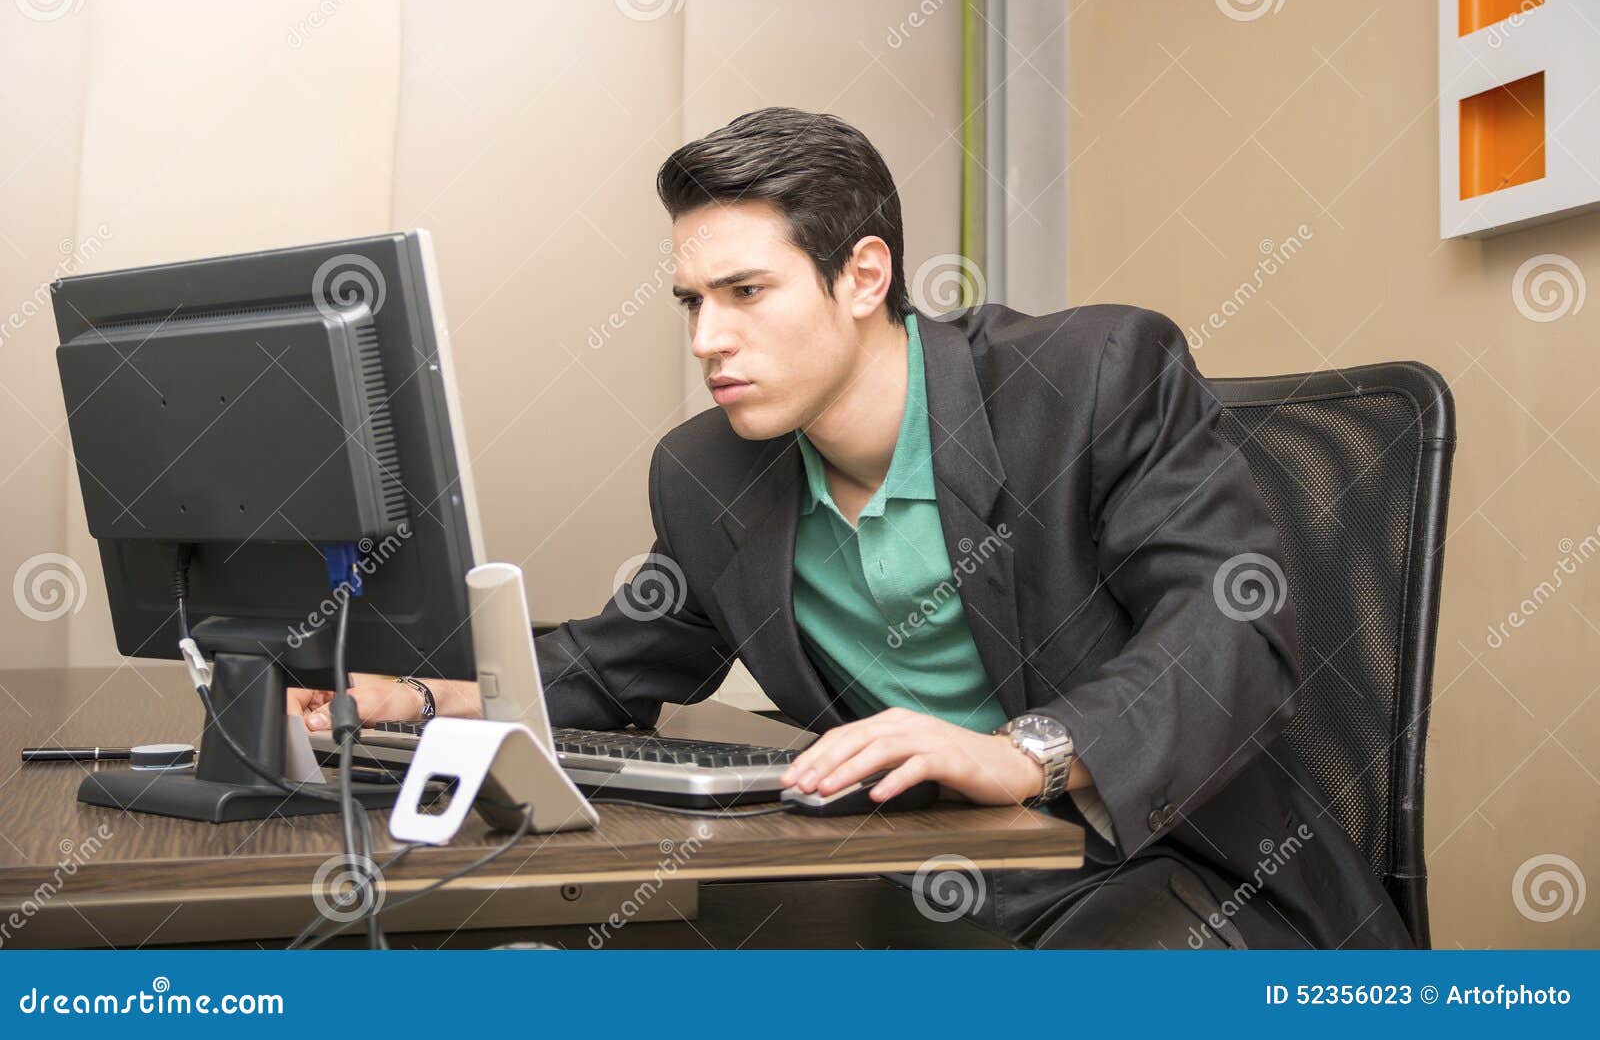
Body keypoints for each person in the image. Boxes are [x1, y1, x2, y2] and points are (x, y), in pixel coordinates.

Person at [293, 107, 1413, 950]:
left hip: (1173, 876)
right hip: (927, 876)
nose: (706, 338)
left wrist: (1019, 751)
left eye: (745, 291)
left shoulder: (1094, 377)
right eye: (691, 300)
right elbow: (609, 667)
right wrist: (416, 699)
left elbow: (1229, 631)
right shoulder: (708, 473)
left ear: (863, 274)